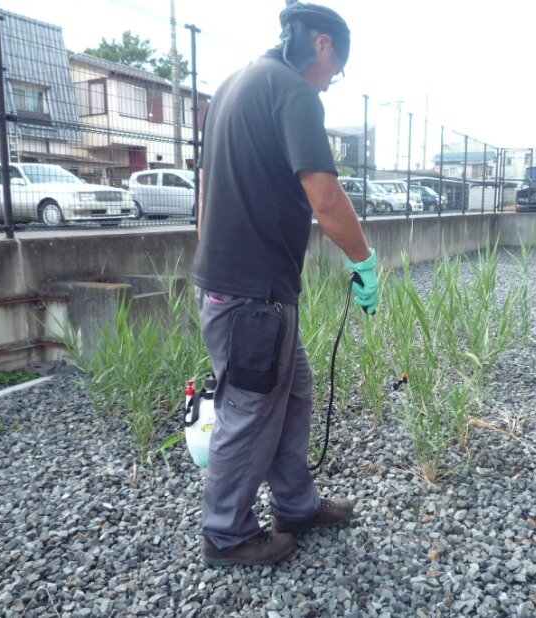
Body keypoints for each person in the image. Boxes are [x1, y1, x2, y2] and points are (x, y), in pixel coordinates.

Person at [191, 1, 380, 566]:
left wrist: (215, 261)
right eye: (335, 70)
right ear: (322, 45)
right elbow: (325, 197)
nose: (329, 82)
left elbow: (207, 187)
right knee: (249, 411)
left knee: (293, 394)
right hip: (254, 298)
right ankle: (226, 534)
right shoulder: (294, 92)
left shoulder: (233, 85)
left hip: (242, 287)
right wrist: (363, 261)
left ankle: (296, 506)